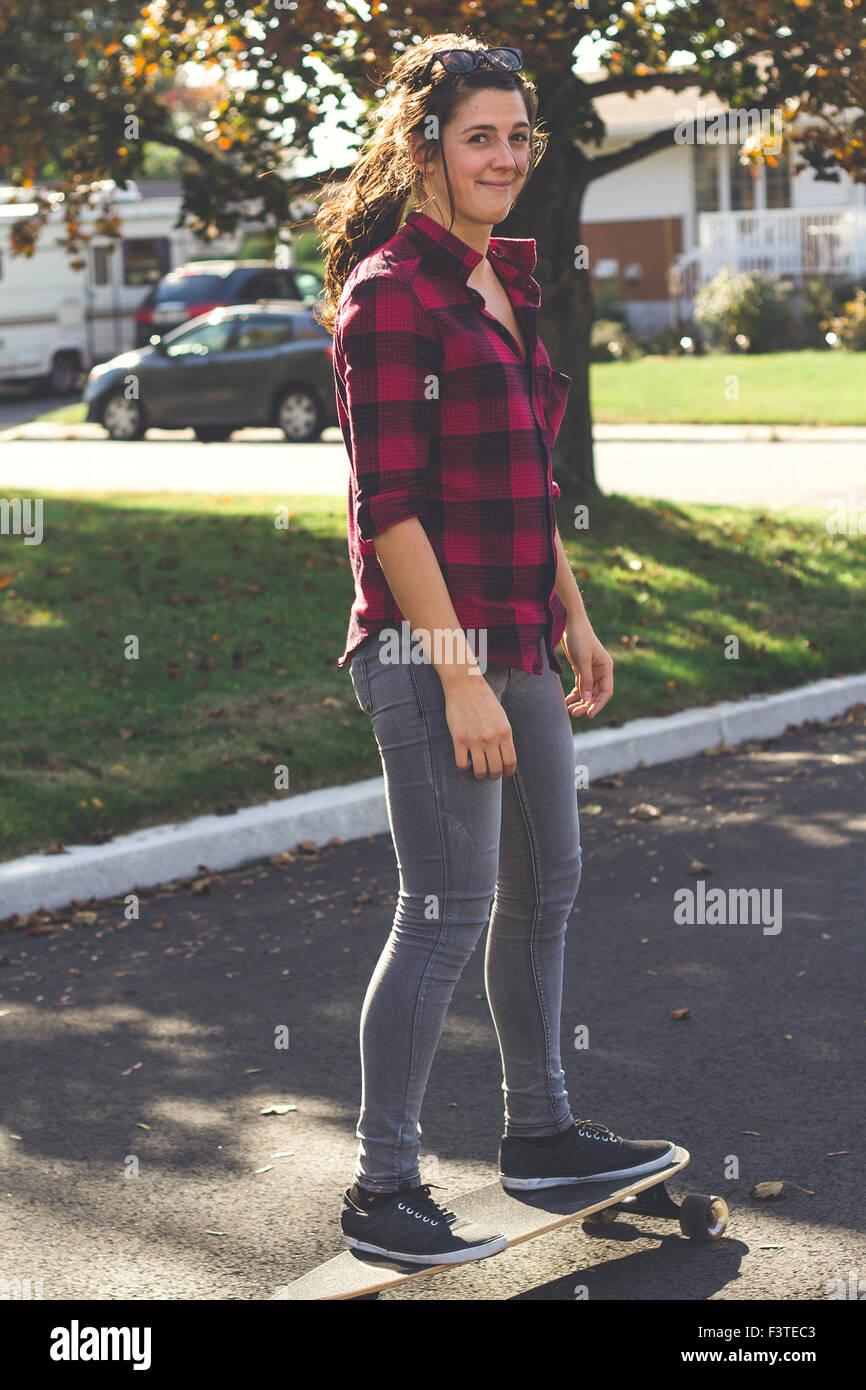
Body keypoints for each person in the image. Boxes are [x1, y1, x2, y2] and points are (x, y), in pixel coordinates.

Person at [315, 34, 675, 1268]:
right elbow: (391, 507)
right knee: (445, 904)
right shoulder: (388, 294)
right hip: (430, 653)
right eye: (480, 136)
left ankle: (541, 1135)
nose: (505, 157)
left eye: (519, 136)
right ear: (423, 148)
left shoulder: (500, 282)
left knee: (548, 889)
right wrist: (461, 672)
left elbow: (523, 477)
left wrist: (568, 610)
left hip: (517, 632)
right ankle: (381, 1190)